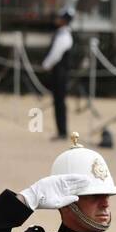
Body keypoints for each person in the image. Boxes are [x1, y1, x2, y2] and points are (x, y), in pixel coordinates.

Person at [43, 8, 75, 140]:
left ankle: (62, 131)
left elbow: (56, 54)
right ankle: (60, 130)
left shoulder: (64, 36)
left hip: (60, 73)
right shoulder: (61, 34)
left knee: (60, 102)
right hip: (58, 72)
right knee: (57, 101)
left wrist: (47, 64)